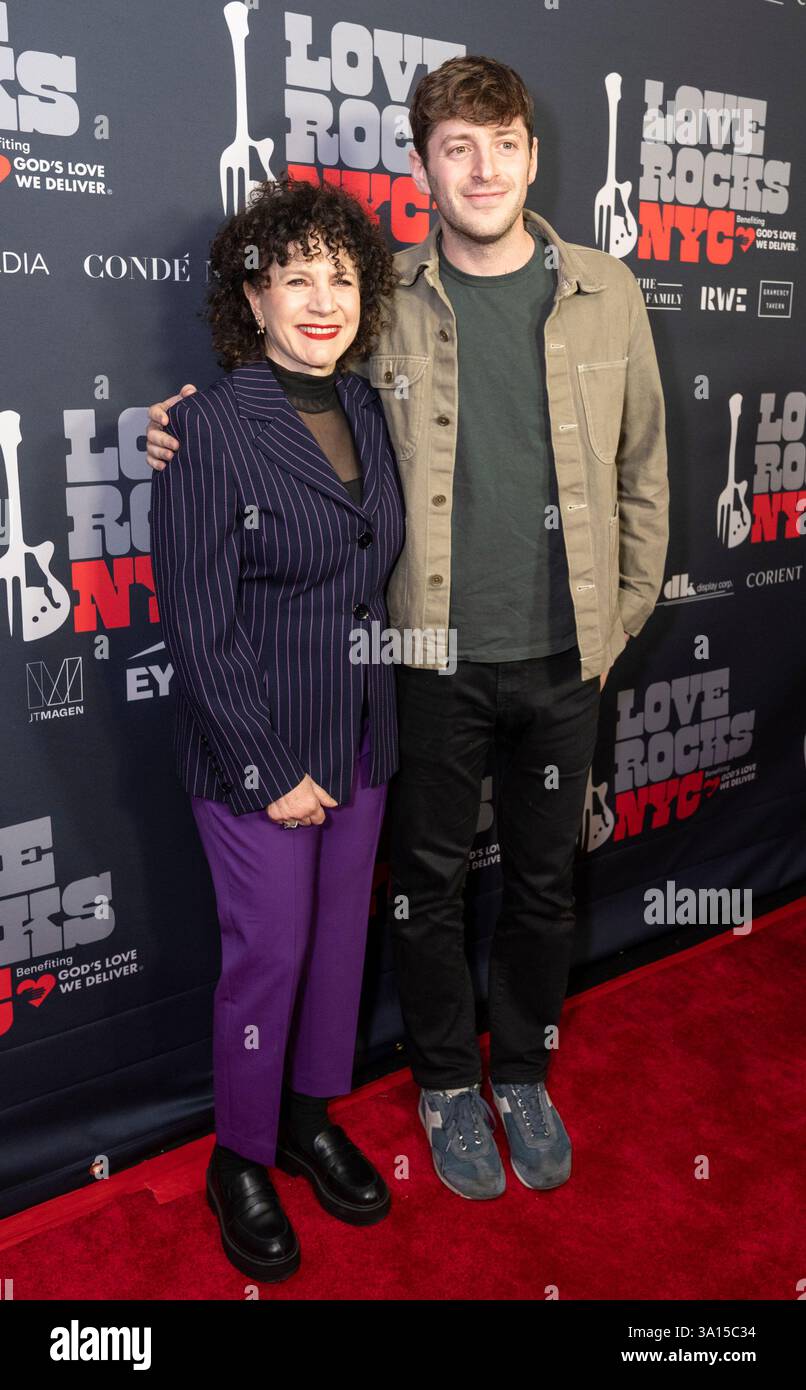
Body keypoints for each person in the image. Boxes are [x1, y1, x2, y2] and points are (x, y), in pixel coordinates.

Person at [147, 56, 669, 1204]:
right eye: (455, 147)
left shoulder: (605, 291)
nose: (482, 169)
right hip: (417, 665)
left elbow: (641, 471)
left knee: (535, 884)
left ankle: (513, 1071)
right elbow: (273, 402)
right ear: (423, 165)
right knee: (415, 894)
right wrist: (174, 423)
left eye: (504, 144)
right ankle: (430, 1089)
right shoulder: (391, 300)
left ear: (532, 155)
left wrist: (619, 618)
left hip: (544, 662)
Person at [149, 176, 405, 1280]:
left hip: (359, 732)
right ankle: (238, 1156)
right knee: (271, 957)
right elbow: (198, 630)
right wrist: (267, 771)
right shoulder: (203, 430)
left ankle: (307, 1118)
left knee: (339, 949)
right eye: (292, 276)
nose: (318, 298)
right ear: (250, 299)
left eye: (338, 277)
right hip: (255, 753)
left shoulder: (366, 408)